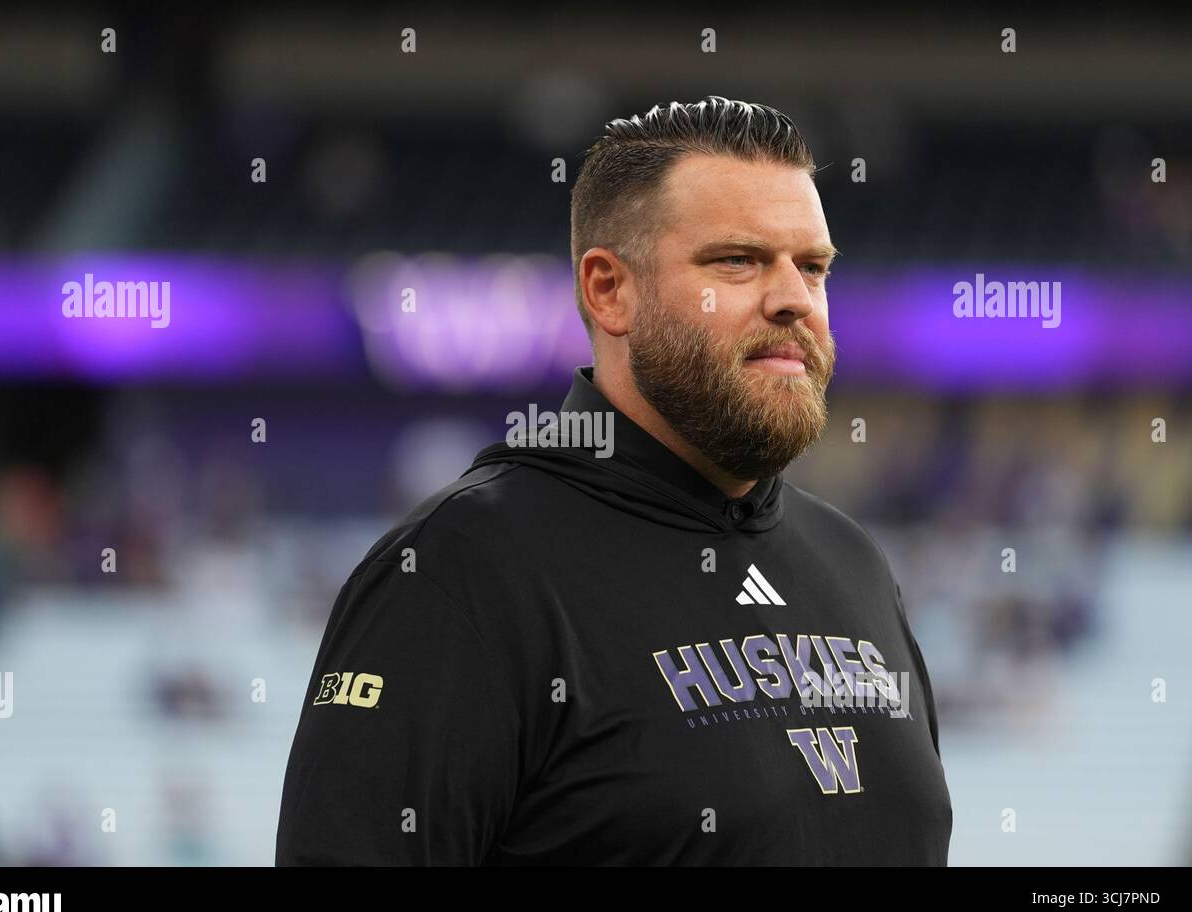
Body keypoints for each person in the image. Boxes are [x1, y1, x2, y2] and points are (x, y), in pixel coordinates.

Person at [276, 95, 952, 865]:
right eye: (737, 260)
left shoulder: (851, 561)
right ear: (609, 291)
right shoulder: (458, 573)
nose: (795, 299)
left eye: (814, 267)